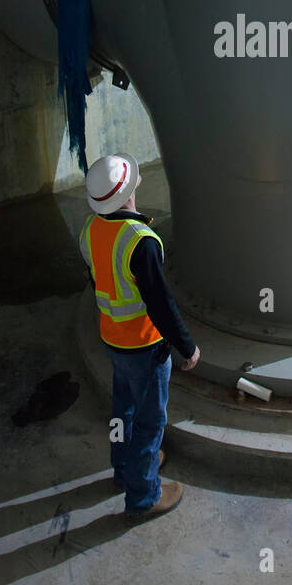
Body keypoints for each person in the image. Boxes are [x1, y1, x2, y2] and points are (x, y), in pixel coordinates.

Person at [79, 153, 200, 517]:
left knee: (123, 410)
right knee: (150, 423)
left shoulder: (90, 230)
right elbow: (160, 305)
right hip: (144, 348)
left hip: (112, 340)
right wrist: (186, 346)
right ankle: (143, 495)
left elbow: (99, 281)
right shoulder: (141, 241)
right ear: (131, 190)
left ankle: (123, 469)